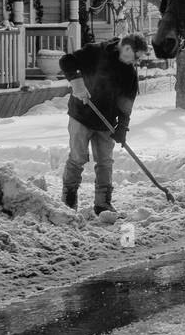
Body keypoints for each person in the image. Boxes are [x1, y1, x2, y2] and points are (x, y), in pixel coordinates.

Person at [59, 33, 149, 215]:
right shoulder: (95, 51)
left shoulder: (129, 73)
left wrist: (122, 127)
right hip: (81, 115)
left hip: (106, 122)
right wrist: (77, 82)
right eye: (136, 56)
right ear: (127, 48)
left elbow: (126, 105)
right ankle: (68, 200)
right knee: (77, 158)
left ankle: (103, 203)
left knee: (105, 162)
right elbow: (67, 61)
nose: (137, 61)